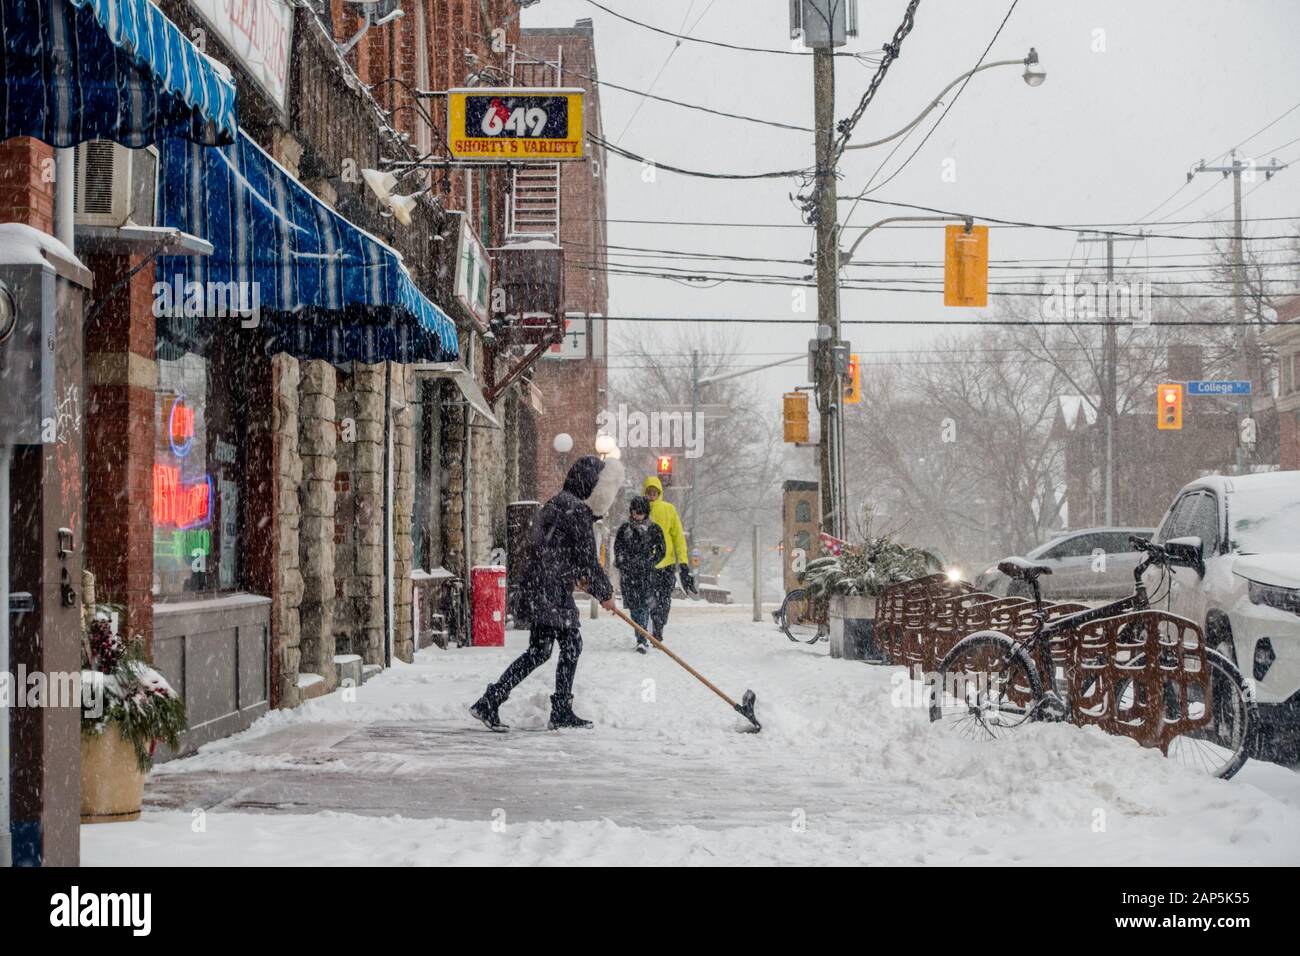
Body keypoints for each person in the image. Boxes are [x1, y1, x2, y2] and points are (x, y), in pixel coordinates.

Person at [470, 455, 624, 732]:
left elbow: (556, 552)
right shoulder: (576, 511)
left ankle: (490, 700)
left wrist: (576, 577)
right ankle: (559, 710)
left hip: (539, 587)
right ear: (593, 486)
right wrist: (606, 593)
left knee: (539, 651)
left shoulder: (556, 503)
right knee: (570, 646)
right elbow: (587, 559)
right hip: (551, 592)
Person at [641, 475, 697, 643]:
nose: (652, 495)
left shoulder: (669, 510)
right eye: (649, 492)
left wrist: (684, 564)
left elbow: (678, 538)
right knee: (649, 600)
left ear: (659, 493)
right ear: (645, 493)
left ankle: (658, 626)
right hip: (647, 565)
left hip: (667, 564)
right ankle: (651, 629)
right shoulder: (640, 509)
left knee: (664, 600)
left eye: (654, 492)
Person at [614, 495, 666, 653]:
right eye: (634, 512)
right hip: (629, 575)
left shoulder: (654, 529)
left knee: (643, 606)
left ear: (646, 512)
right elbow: (618, 548)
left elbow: (661, 550)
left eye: (640, 512)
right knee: (634, 608)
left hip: (645, 575)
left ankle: (642, 639)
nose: (636, 515)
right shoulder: (625, 529)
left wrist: (650, 562)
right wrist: (623, 562)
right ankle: (640, 635)